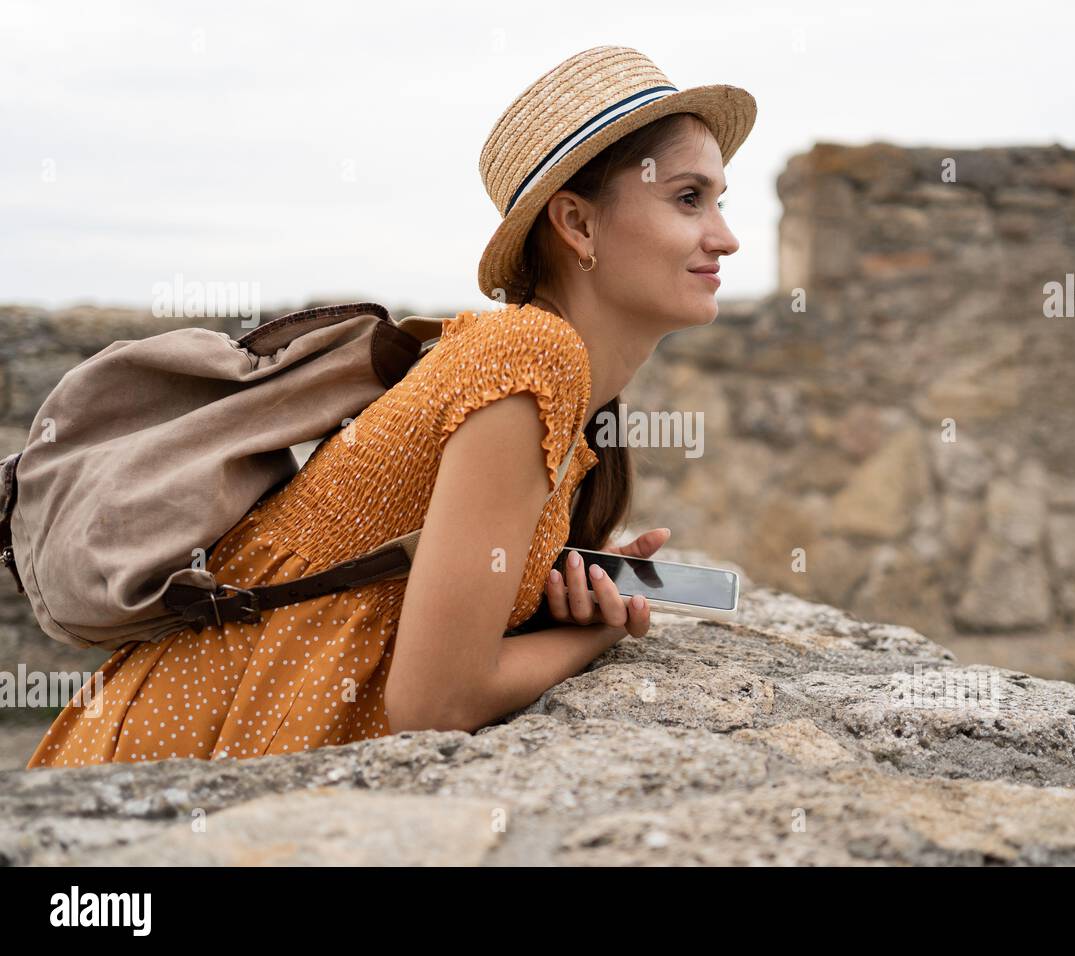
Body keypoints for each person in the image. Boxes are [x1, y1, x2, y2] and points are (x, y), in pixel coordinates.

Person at [26, 45, 756, 767]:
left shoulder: (555, 381)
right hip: (196, 740)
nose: (725, 237)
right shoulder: (532, 353)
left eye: (719, 201)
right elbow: (434, 705)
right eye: (689, 199)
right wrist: (600, 634)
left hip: (228, 725)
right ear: (579, 224)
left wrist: (561, 596)